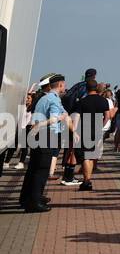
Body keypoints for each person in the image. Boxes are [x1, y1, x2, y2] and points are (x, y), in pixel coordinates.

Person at [19, 73, 68, 212]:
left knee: (33, 168)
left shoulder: (44, 97)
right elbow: (53, 119)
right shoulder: (53, 100)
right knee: (41, 170)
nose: (65, 87)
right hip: (45, 135)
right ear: (60, 85)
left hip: (38, 135)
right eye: (64, 84)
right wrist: (61, 117)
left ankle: (27, 198)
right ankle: (34, 201)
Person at [70, 78, 114, 191]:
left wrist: (74, 131)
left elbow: (77, 117)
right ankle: (87, 180)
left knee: (85, 156)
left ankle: (87, 180)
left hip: (84, 128)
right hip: (97, 129)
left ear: (86, 88)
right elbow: (108, 116)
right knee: (90, 156)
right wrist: (102, 125)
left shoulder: (82, 101)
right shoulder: (103, 101)